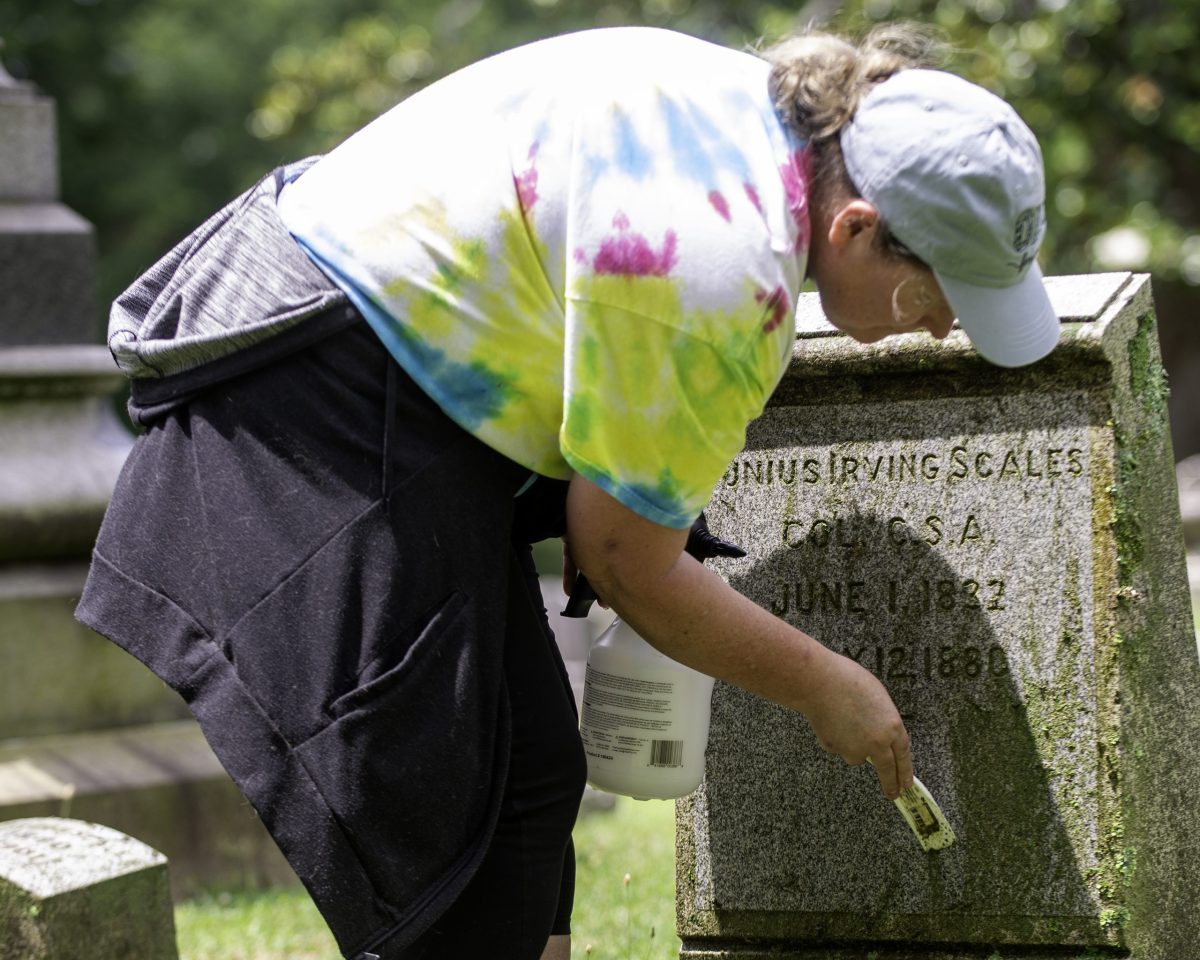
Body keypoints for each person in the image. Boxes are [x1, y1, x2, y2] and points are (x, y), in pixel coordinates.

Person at [77, 21, 1058, 960]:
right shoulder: (724, 267)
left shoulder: (748, 114)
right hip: (312, 394)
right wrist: (825, 684)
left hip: (389, 372)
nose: (941, 329)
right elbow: (626, 561)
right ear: (858, 228)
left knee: (533, 778)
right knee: (449, 822)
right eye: (945, 295)